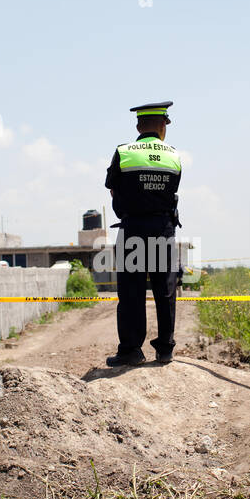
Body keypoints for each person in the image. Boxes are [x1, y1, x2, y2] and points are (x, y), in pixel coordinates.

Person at [104, 101, 183, 366]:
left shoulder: (124, 152)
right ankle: (165, 350)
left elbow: (112, 188)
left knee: (131, 292)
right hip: (163, 229)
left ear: (139, 125)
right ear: (163, 126)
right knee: (165, 290)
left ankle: (131, 351)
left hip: (133, 229)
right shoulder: (173, 155)